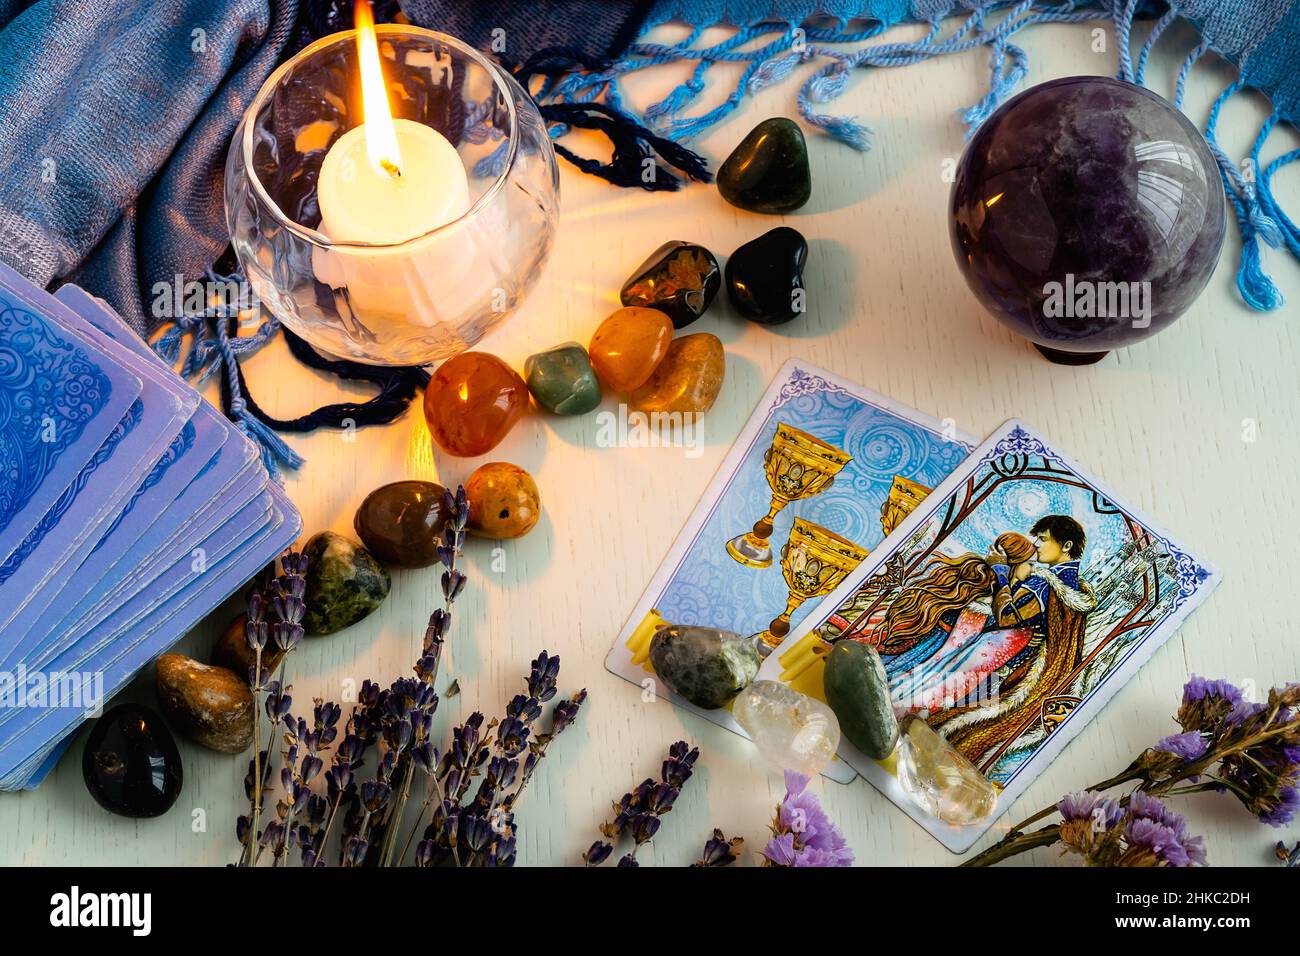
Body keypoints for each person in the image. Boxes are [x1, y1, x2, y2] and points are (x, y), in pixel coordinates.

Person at [930, 515, 1095, 766]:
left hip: (1014, 671)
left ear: (1067, 546)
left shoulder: (1045, 583)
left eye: (1042, 539)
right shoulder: (1076, 587)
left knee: (964, 723)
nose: (1036, 544)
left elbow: (1007, 617)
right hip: (1025, 669)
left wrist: (999, 571)